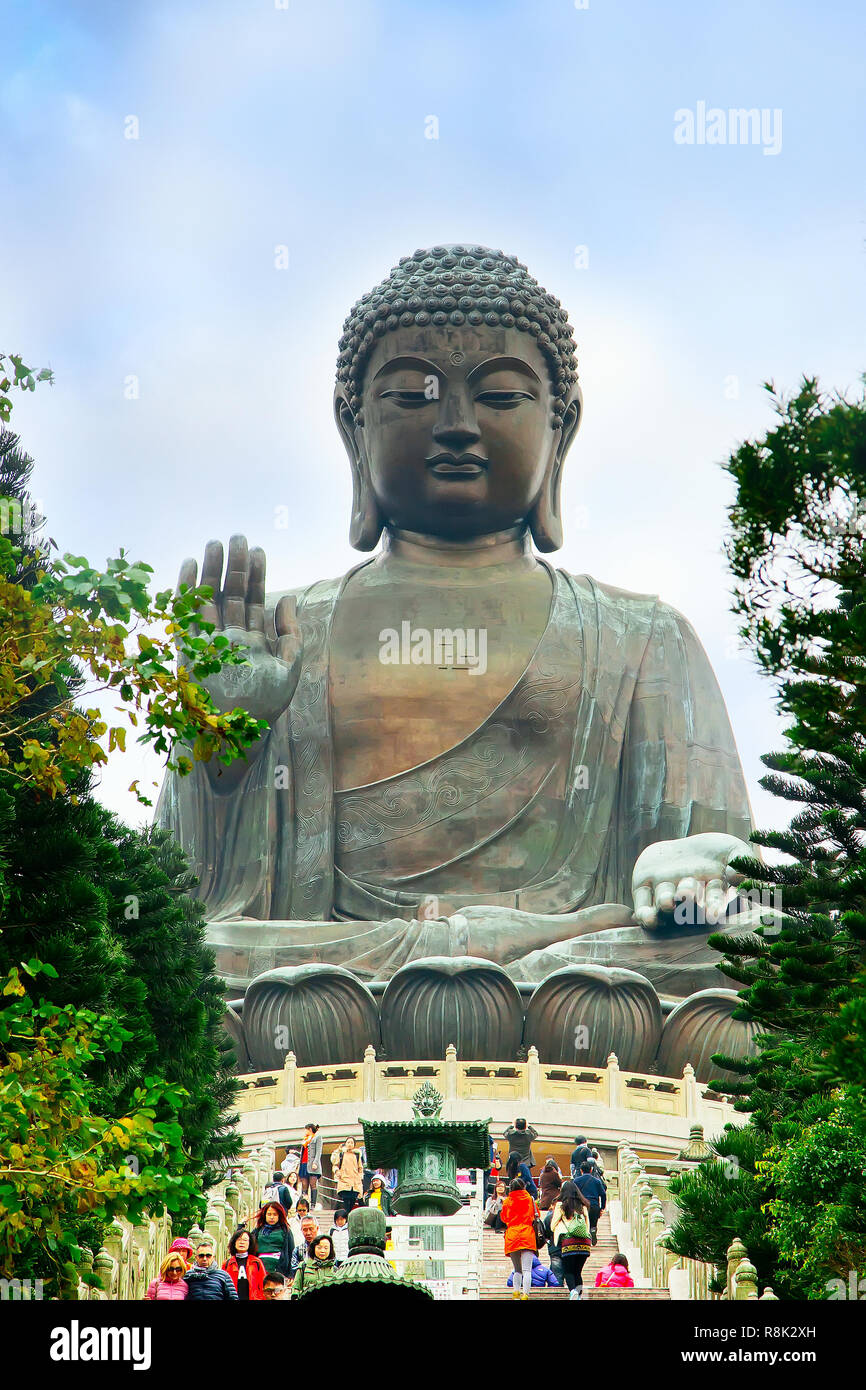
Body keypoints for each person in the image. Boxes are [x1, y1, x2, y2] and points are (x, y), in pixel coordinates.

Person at [550, 1180, 592, 1300]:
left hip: (569, 1242)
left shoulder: (560, 1205)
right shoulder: (583, 1205)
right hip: (584, 1243)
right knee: (578, 1272)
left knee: (568, 1271)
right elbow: (587, 1225)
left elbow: (553, 1225)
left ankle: (573, 1291)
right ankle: (578, 1295)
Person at [500, 1177, 540, 1300]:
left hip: (512, 1235)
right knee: (527, 1269)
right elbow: (536, 1215)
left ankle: (516, 1292)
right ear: (523, 1187)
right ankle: (525, 1294)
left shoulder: (507, 1201)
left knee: (517, 1269)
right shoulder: (530, 1199)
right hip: (527, 1234)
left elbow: (503, 1218)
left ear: (510, 1188)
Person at [223, 1227, 267, 1301]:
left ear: (250, 1243)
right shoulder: (227, 1264)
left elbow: (263, 1284)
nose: (242, 1242)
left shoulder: (256, 1262)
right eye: (239, 1239)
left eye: (245, 1240)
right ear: (234, 1243)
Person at [254, 1201, 294, 1277]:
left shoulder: (286, 1231)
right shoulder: (258, 1230)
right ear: (265, 1215)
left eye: (275, 1214)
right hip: (260, 1269)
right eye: (269, 1214)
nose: (272, 1217)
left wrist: (291, 1274)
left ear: (279, 1216)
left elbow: (291, 1252)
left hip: (279, 1270)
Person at [291, 1233, 335, 1298]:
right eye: (319, 1248)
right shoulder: (304, 1266)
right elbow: (296, 1288)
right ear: (314, 1248)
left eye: (326, 1248)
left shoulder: (334, 1269)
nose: (322, 1251)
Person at [575, 1161, 607, 1246]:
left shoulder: (576, 1181)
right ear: (591, 1169)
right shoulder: (597, 1181)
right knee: (593, 1222)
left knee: (583, 1224)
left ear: (581, 1170)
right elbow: (603, 1194)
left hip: (582, 1206)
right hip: (594, 1205)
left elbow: (574, 1195)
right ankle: (593, 1230)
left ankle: (585, 1239)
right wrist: (602, 1207)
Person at [332, 1136, 364, 1214]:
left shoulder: (357, 1155)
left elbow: (360, 1168)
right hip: (344, 1181)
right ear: (345, 1143)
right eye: (348, 1142)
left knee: (352, 1201)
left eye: (352, 1142)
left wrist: (360, 1177)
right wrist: (337, 1171)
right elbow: (335, 1165)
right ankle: (346, 1217)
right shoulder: (341, 1154)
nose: (350, 1144)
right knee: (346, 1201)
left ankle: (348, 1218)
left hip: (355, 1183)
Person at [298, 1122, 323, 1206]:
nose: (305, 1131)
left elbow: (318, 1151)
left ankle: (313, 1204)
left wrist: (315, 1162)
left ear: (310, 1129)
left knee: (313, 1184)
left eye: (306, 1129)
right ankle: (304, 1203)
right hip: (303, 1163)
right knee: (304, 1185)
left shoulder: (317, 1137)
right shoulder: (305, 1139)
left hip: (312, 1164)